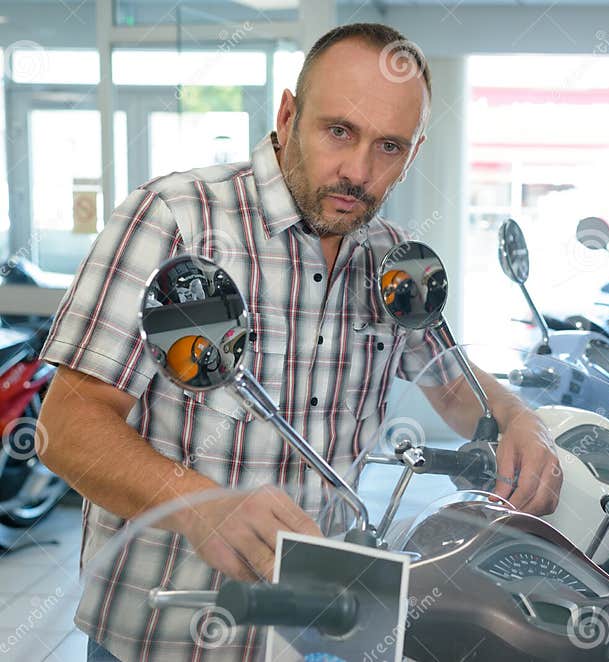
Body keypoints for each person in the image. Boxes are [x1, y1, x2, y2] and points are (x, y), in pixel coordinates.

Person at [36, 22, 562, 661]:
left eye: (388, 147)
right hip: (165, 634)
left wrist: (521, 420)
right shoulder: (176, 218)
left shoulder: (393, 257)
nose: (358, 172)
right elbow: (66, 427)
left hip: (314, 634)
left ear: (413, 152)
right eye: (338, 131)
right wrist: (199, 506)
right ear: (288, 116)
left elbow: (452, 384)